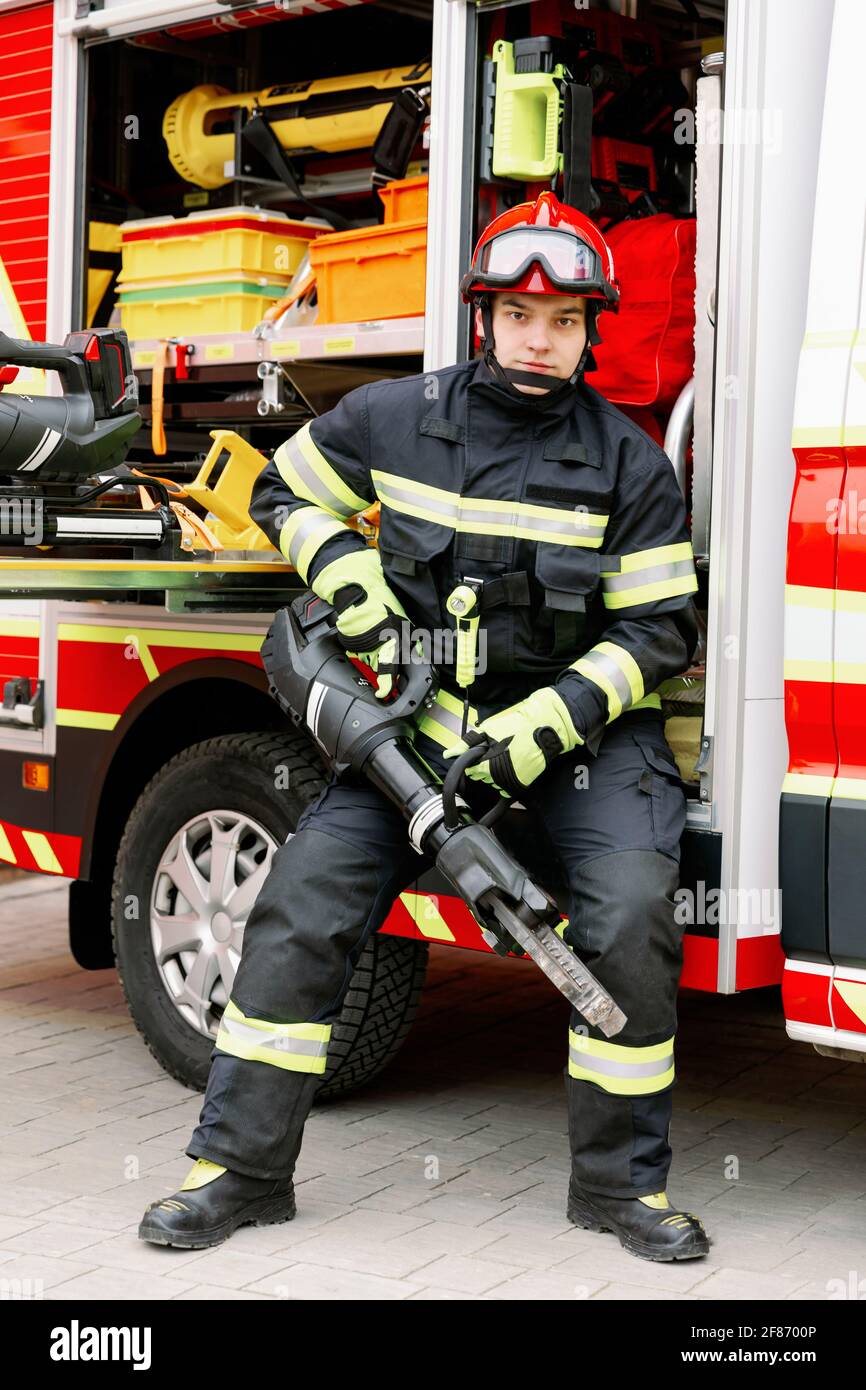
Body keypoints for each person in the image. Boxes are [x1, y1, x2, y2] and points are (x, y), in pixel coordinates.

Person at [139, 192, 710, 1262]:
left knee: (630, 915)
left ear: (592, 330)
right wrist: (346, 570)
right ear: (481, 316)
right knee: (301, 904)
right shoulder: (394, 415)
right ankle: (239, 1172)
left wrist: (547, 720)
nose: (540, 341)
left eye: (566, 322)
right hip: (416, 735)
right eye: (519, 318)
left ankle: (617, 1191)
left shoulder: (630, 461)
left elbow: (657, 632)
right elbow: (281, 489)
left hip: (581, 742)